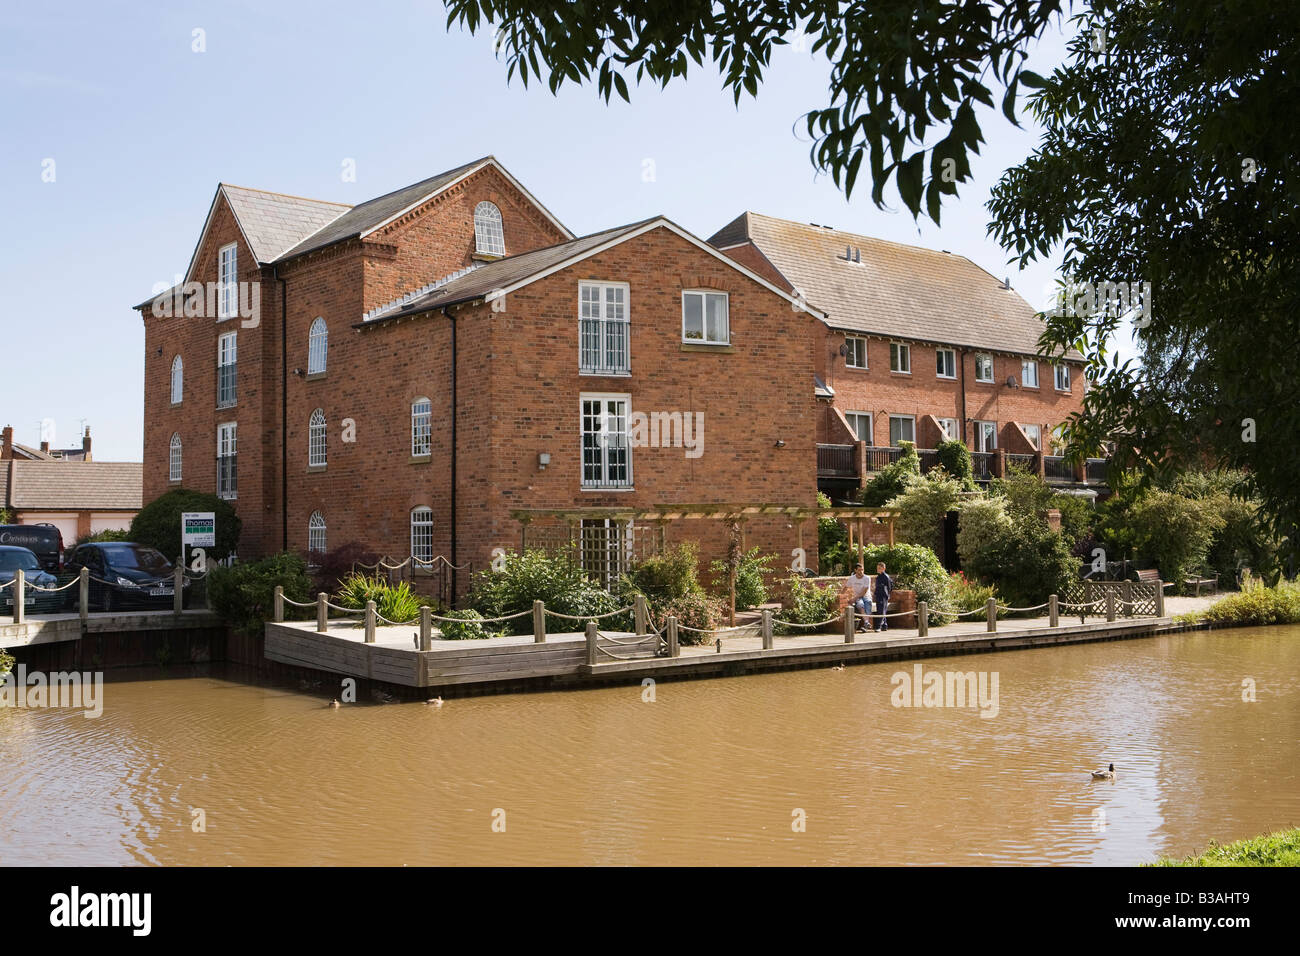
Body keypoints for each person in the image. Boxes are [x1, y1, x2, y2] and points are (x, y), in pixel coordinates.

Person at [844, 563, 873, 632]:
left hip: (866, 596)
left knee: (868, 603)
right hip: (858, 598)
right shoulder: (852, 578)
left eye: (862, 570)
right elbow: (845, 587)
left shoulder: (867, 578)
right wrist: (840, 596)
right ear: (855, 570)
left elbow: (864, 591)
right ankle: (866, 623)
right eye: (859, 570)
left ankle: (866, 624)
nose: (861, 572)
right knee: (860, 604)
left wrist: (854, 599)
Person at [872, 562, 894, 632]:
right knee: (880, 610)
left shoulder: (885, 576)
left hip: (883, 596)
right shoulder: (879, 576)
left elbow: (889, 587)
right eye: (877, 568)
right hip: (879, 595)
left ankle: (879, 626)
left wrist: (887, 595)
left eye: (879, 568)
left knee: (881, 611)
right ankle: (884, 625)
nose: (877, 569)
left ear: (883, 568)